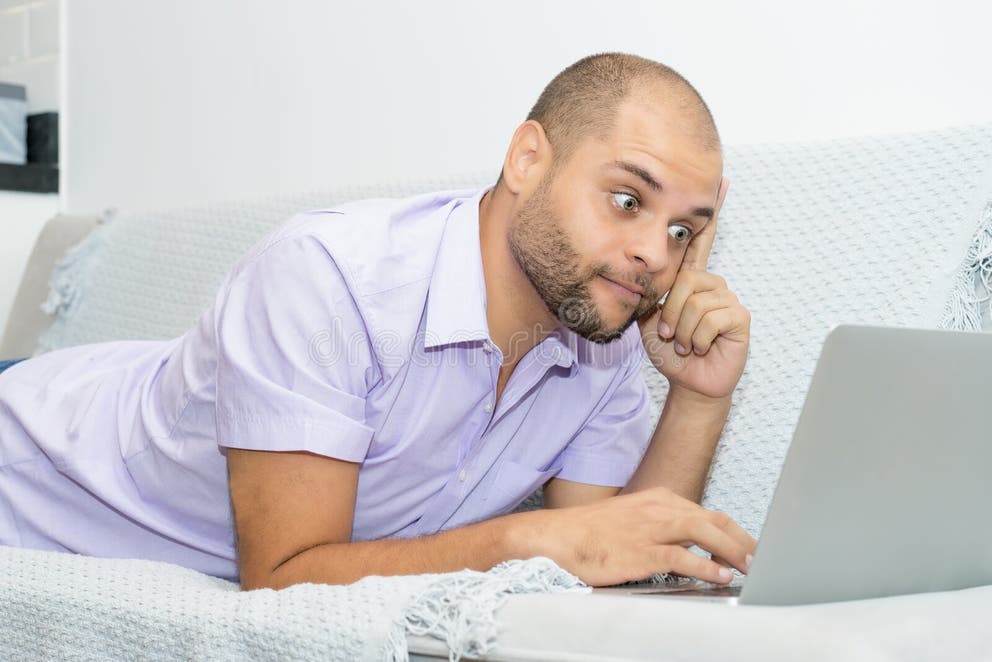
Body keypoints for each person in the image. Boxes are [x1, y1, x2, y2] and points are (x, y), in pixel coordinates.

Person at [0, 52, 756, 590]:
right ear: (528, 159)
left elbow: (615, 549)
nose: (655, 255)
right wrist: (530, 541)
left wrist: (699, 396)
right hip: (29, 457)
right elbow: (285, 576)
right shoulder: (331, 276)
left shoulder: (600, 327)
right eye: (628, 200)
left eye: (683, 230)